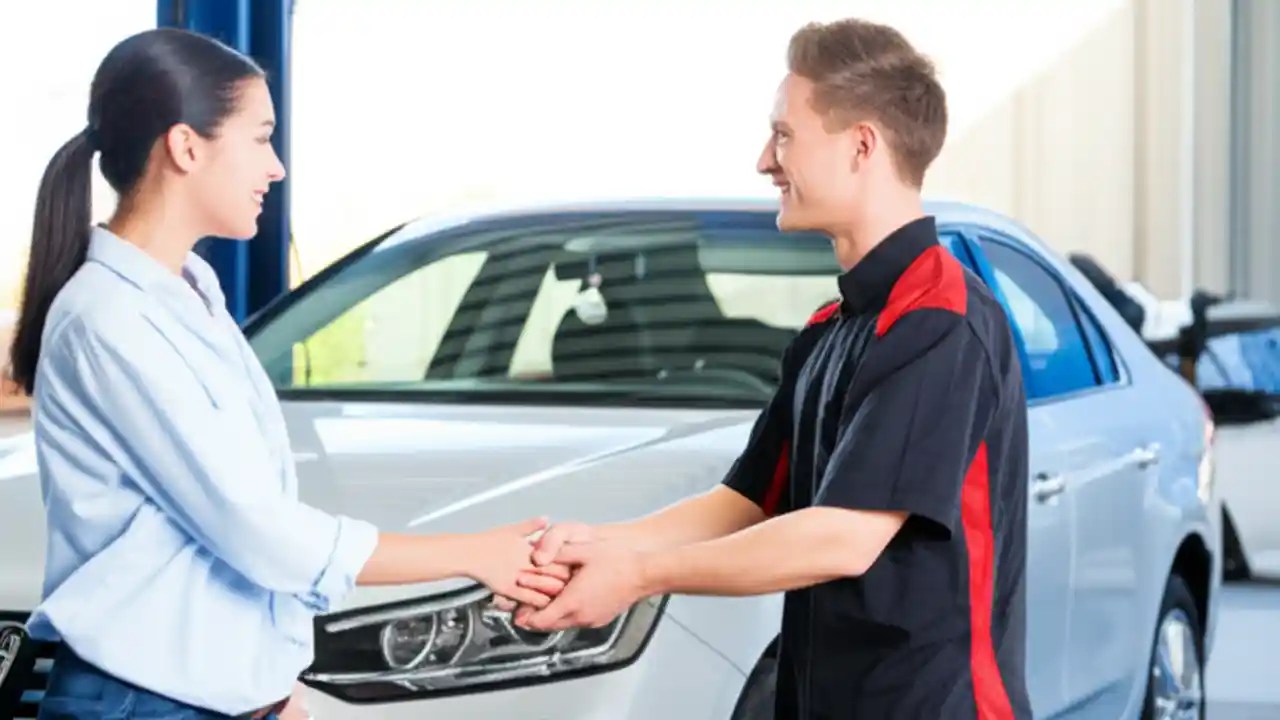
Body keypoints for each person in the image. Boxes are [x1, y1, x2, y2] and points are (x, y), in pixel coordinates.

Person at [10, 28, 566, 720]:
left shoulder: (191, 292)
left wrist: (269, 694)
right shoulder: (109, 319)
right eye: (260, 137)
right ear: (186, 147)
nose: (275, 168)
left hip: (202, 699)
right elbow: (258, 530)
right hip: (144, 703)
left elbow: (201, 536)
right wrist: (472, 553)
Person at [509, 18, 1033, 719]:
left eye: (784, 134)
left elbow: (843, 537)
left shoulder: (940, 322)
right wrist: (602, 543)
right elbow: (744, 503)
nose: (765, 160)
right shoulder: (832, 330)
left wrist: (635, 575)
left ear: (862, 146)